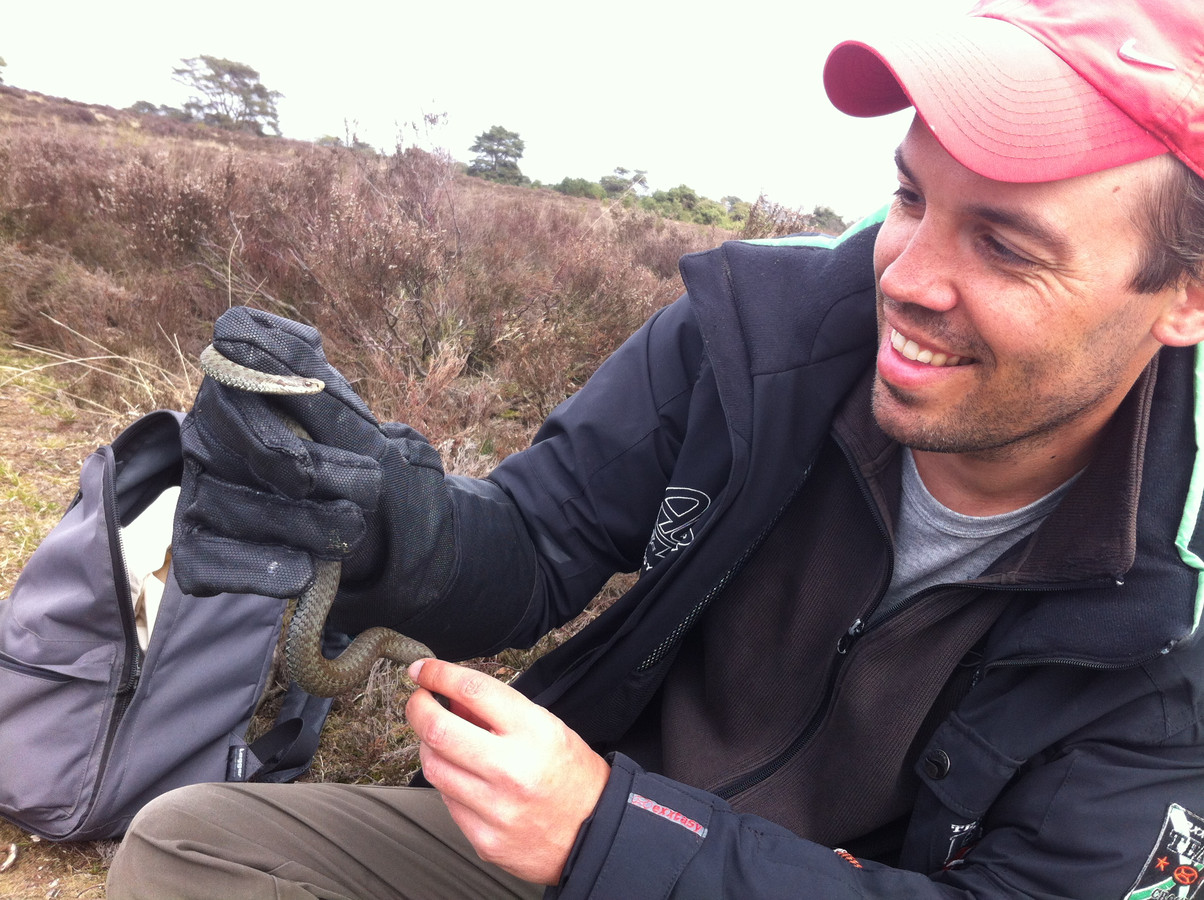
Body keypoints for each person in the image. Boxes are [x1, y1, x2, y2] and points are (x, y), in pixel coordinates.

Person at [107, 0, 1204, 896]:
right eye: (911, 195)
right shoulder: (761, 334)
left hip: (690, 855)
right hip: (590, 839)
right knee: (195, 847)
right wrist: (388, 524)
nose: (905, 280)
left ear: (1183, 297)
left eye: (1006, 246)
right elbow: (541, 542)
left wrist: (615, 839)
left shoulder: (1181, 602)